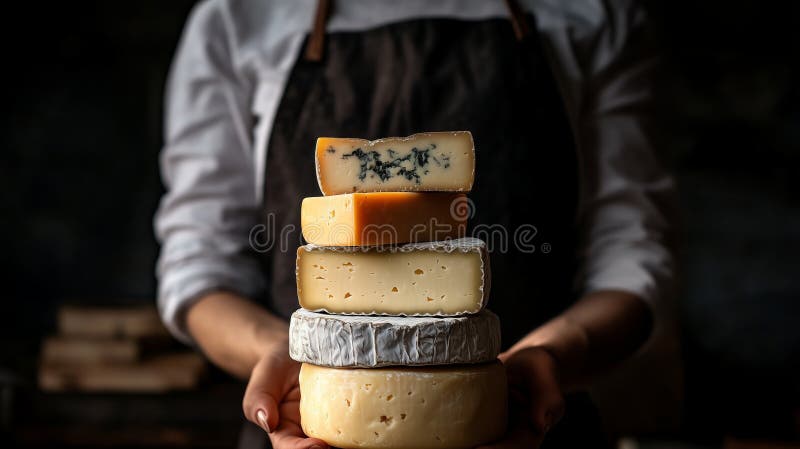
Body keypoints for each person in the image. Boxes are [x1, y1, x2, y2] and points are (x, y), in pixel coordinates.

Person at [155, 0, 676, 447]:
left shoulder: (594, 13)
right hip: (308, 422)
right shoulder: (241, 16)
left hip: (526, 426)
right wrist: (287, 352)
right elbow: (198, 266)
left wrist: (554, 354)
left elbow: (632, 255)